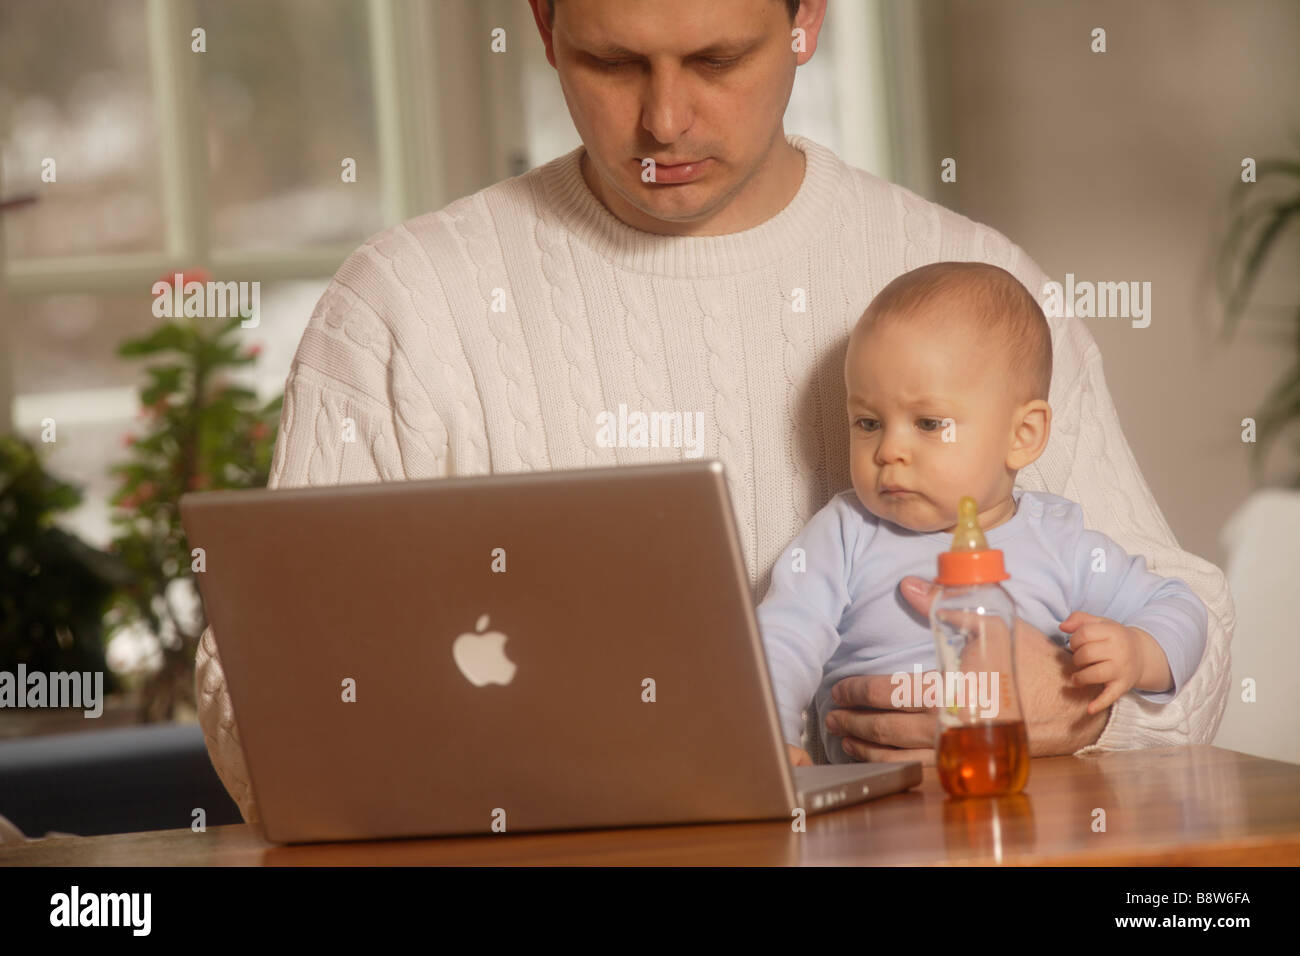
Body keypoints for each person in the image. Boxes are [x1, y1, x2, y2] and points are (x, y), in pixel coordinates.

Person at [195, 0, 1232, 824]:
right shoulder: (400, 306)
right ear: (546, 29)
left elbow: (1192, 623)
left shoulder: (973, 284)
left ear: (806, 21)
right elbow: (252, 698)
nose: (665, 121)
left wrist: (1079, 707)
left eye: (718, 59)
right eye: (611, 62)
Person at [757, 261, 1209, 766]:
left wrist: (1139, 652)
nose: (889, 450)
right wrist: (773, 744)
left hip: (1032, 802)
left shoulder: (1060, 543)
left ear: (1022, 436)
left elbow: (1181, 605)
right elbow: (781, 641)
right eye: (868, 422)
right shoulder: (845, 534)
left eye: (928, 423)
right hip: (882, 813)